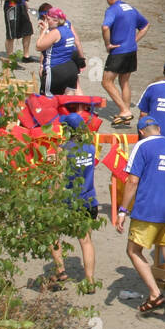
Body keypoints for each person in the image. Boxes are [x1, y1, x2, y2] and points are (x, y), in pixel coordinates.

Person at [115, 116, 165, 314]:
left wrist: (122, 210)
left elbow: (132, 181)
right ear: (159, 128)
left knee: (133, 250)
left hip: (148, 209)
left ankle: (155, 294)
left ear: (142, 132)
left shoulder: (142, 145)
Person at [48, 113, 98, 288]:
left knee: (52, 234)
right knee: (86, 240)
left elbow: (58, 177)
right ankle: (90, 280)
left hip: (69, 201)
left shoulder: (64, 149)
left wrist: (50, 197)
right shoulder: (90, 148)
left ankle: (60, 270)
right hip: (89, 198)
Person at [100, 0, 149, 124]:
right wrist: (134, 40)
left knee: (106, 81)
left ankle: (124, 110)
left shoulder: (112, 9)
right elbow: (145, 25)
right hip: (131, 50)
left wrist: (107, 44)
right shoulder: (131, 8)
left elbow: (105, 27)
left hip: (119, 51)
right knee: (124, 81)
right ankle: (126, 116)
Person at [35, 6, 83, 96]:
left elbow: (38, 46)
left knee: (47, 101)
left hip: (55, 70)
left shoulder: (56, 32)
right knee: (68, 102)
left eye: (48, 19)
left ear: (56, 20)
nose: (46, 21)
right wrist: (82, 59)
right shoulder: (68, 30)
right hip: (71, 69)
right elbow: (77, 42)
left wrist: (43, 31)